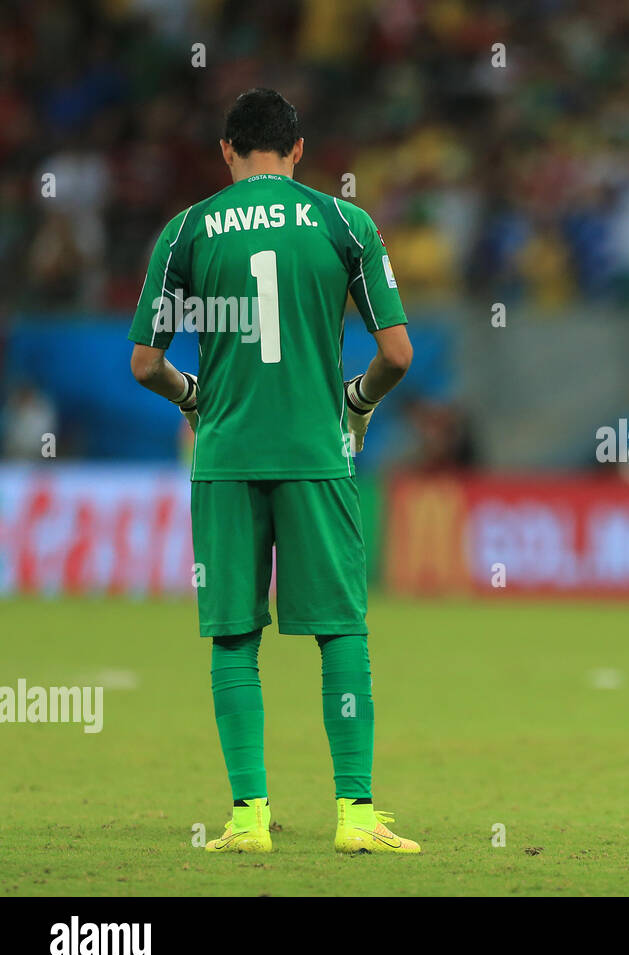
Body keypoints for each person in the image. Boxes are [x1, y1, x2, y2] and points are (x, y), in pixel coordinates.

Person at [128, 88, 420, 854]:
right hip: (316, 453)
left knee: (233, 637)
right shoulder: (344, 222)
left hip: (224, 456)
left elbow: (144, 364)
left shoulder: (185, 231)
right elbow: (396, 355)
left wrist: (195, 398)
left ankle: (248, 818)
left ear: (227, 152)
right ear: (298, 150)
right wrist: (353, 400)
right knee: (340, 631)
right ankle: (355, 815)